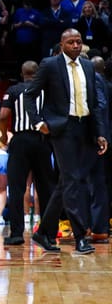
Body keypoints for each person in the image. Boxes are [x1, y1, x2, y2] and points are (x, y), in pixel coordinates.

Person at [24, 28, 110, 255]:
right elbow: (29, 95)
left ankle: (43, 232)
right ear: (62, 44)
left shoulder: (89, 66)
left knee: (68, 182)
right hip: (62, 129)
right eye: (71, 42)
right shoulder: (50, 65)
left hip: (86, 128)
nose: (75, 45)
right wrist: (37, 122)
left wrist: (100, 133)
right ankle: (81, 236)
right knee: (73, 181)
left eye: (79, 42)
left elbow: (96, 104)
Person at [0, 61, 56, 245]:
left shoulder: (14, 90)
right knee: (45, 188)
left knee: (17, 188)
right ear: (37, 73)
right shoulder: (46, 90)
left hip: (20, 141)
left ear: (22, 73)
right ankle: (47, 233)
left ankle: (16, 234)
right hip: (42, 141)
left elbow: (3, 115)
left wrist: (2, 135)